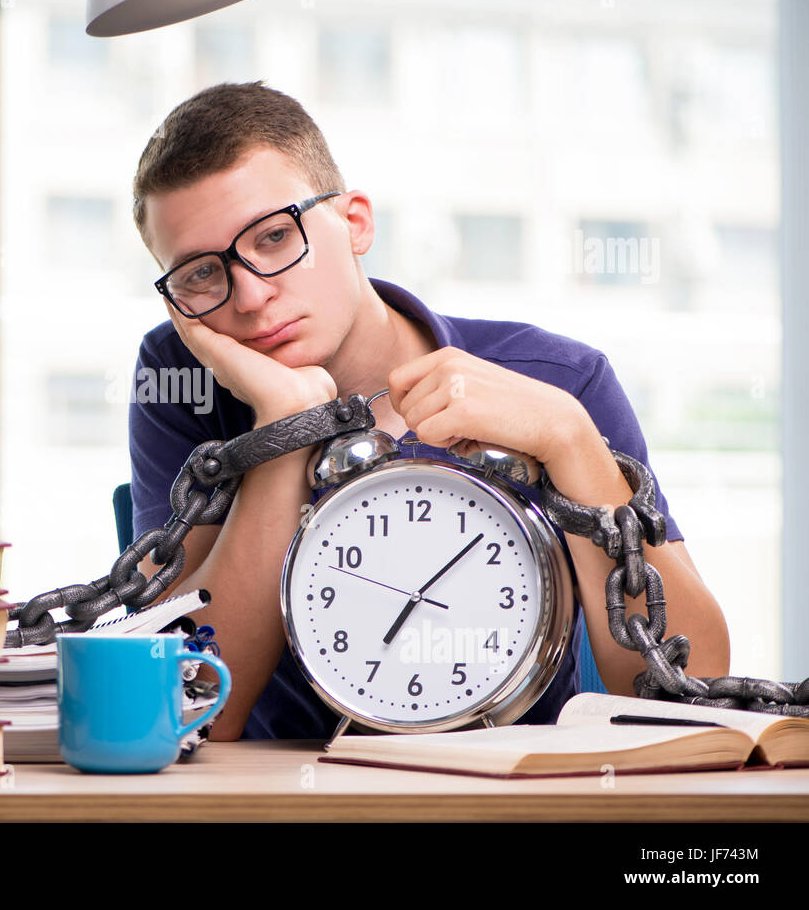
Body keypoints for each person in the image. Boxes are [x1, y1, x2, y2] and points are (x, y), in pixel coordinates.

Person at [126, 81, 730, 741]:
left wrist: (569, 439)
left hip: (511, 786)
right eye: (200, 274)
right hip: (284, 791)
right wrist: (287, 423)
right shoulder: (183, 379)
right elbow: (187, 709)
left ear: (355, 223)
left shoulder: (559, 380)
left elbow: (691, 687)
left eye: (274, 237)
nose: (249, 297)